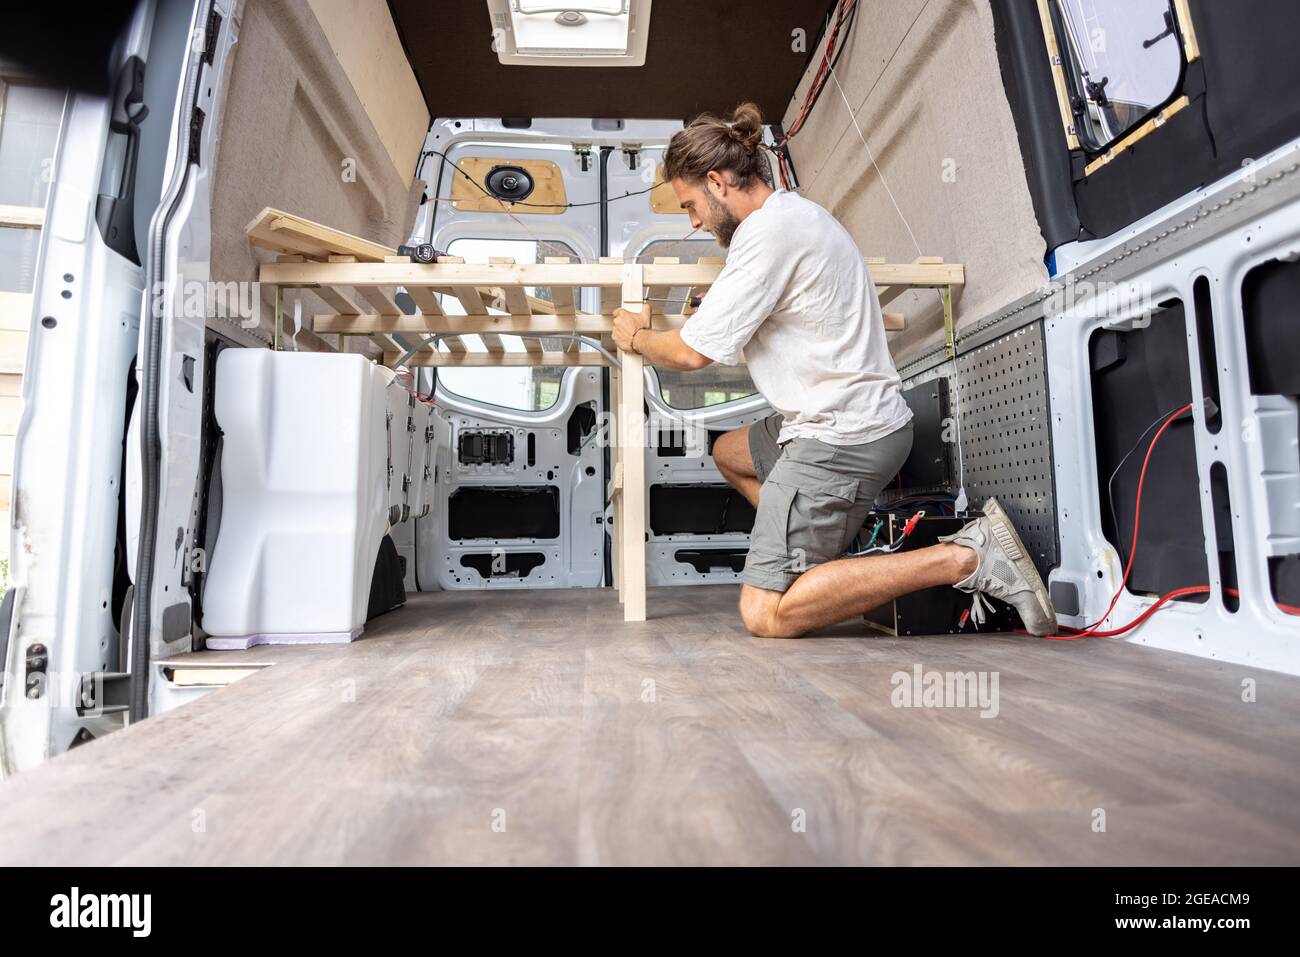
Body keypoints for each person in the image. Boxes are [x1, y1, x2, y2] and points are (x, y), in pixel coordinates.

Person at [611, 102, 1056, 638]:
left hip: (842, 436)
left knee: (765, 614)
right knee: (729, 453)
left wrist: (634, 336)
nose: (694, 222)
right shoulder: (794, 216)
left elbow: (690, 354)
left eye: (690, 205)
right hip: (852, 421)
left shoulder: (766, 235)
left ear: (716, 182)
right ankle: (814, 560)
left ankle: (966, 556)